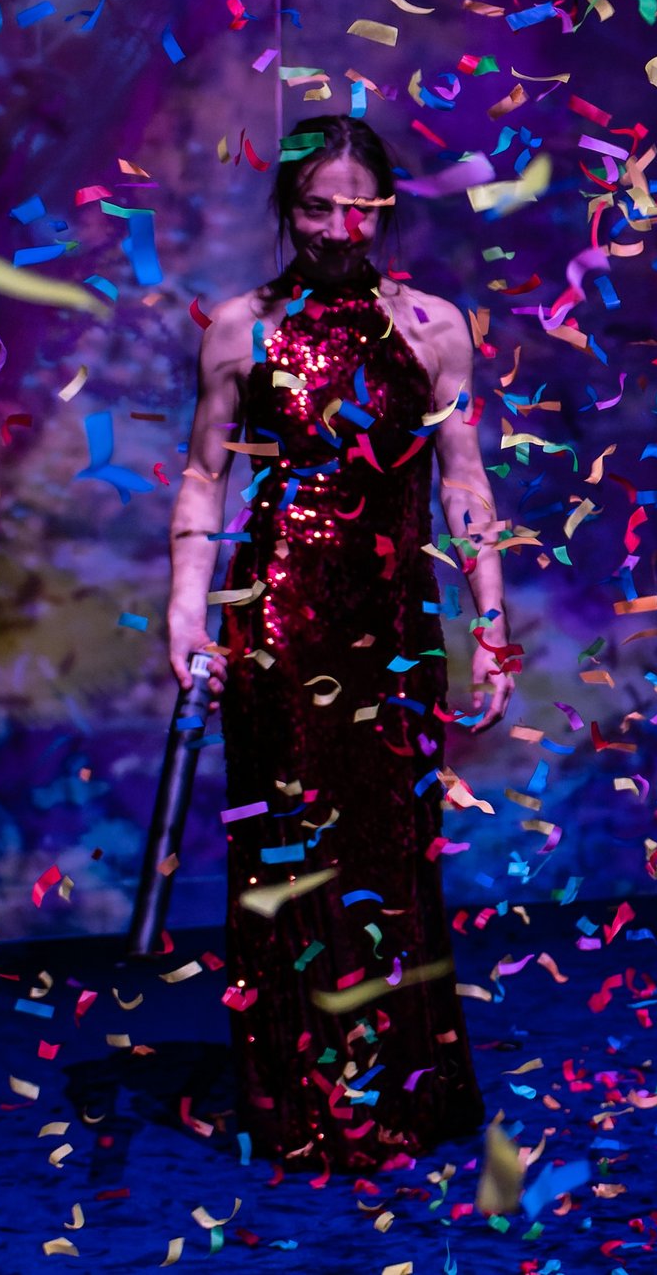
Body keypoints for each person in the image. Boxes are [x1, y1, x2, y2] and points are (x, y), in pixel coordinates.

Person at [163, 115, 518, 1174]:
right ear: (287, 208)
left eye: (355, 205)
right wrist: (187, 609)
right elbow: (201, 477)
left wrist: (491, 627)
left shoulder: (431, 325)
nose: (335, 225)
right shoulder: (238, 327)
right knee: (289, 849)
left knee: (389, 848)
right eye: (315, 205)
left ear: (385, 207)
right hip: (274, 616)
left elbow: (463, 481)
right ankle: (300, 1100)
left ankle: (403, 1089)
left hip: (393, 623)